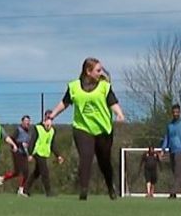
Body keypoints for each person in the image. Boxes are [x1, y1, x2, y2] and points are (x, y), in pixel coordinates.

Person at [48, 57, 126, 200]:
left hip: (103, 130)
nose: (100, 72)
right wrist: (51, 116)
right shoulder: (74, 87)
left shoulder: (104, 86)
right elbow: (64, 103)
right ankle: (83, 191)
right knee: (86, 156)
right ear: (88, 71)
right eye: (98, 70)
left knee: (104, 161)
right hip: (82, 128)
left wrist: (119, 113)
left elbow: (113, 102)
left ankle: (110, 187)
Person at [25, 110, 64, 197]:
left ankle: (25, 189)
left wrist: (58, 155)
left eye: (51, 118)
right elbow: (32, 141)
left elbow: (52, 144)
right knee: (45, 172)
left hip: (45, 153)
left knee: (37, 172)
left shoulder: (52, 130)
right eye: (47, 117)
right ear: (44, 117)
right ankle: (48, 192)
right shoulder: (38, 127)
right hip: (37, 152)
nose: (49, 119)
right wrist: (30, 154)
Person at [0, 115, 33, 196]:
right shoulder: (18, 130)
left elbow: (27, 145)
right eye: (26, 121)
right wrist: (19, 144)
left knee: (22, 172)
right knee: (21, 171)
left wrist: (30, 154)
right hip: (17, 152)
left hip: (24, 153)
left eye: (28, 121)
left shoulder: (29, 132)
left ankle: (2, 179)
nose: (27, 123)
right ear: (22, 122)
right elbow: (12, 139)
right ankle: (19, 189)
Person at [161, 104, 181, 199]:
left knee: (177, 173)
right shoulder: (170, 125)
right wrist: (163, 149)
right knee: (178, 173)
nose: (175, 114)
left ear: (180, 112)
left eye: (177, 112)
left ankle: (173, 193)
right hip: (172, 150)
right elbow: (167, 138)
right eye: (174, 112)